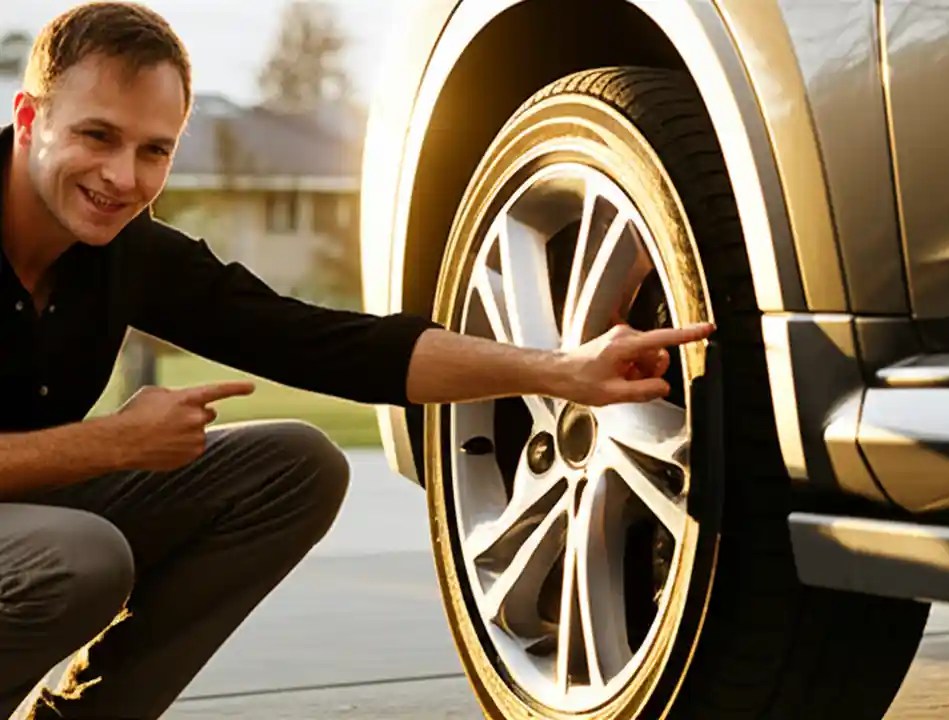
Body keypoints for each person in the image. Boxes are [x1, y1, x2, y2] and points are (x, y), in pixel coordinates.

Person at [0, 3, 714, 718]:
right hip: (36, 536)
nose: (122, 177)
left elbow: (325, 344)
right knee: (78, 558)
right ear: (30, 119)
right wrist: (118, 444)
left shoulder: (125, 252)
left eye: (154, 150)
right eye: (98, 136)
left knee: (294, 469)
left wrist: (558, 370)